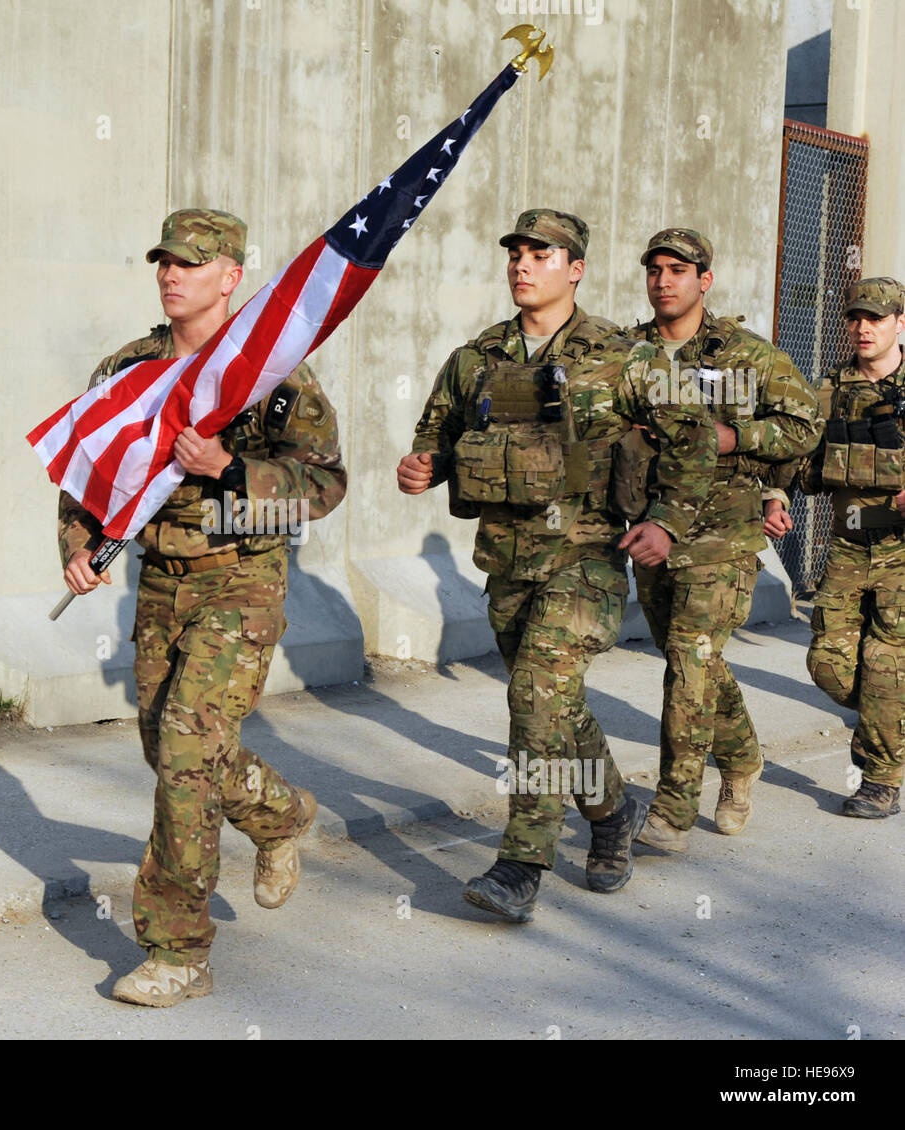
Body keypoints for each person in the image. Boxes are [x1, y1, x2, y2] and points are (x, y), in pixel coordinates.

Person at [58, 208, 348, 1005]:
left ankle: (178, 952)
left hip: (241, 579)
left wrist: (230, 469)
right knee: (169, 751)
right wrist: (78, 546)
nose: (171, 274)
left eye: (190, 262)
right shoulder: (129, 367)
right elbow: (88, 471)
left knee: (187, 755)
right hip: (160, 581)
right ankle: (280, 815)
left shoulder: (271, 370)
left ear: (231, 276)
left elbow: (323, 487)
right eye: (165, 260)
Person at [397, 208, 717, 922]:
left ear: (575, 269)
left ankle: (521, 864)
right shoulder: (477, 358)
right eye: (516, 252)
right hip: (508, 561)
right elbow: (437, 430)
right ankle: (612, 811)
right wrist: (425, 465)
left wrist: (666, 522)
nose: (522, 264)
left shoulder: (625, 357)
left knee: (535, 696)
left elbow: (693, 441)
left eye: (541, 254)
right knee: (554, 708)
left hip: (587, 560)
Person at [623, 229, 821, 852]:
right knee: (695, 662)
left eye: (678, 270)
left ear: (704, 280)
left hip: (723, 534)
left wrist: (737, 438)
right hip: (654, 530)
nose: (663, 280)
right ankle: (743, 758)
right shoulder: (628, 352)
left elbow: (804, 425)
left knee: (689, 663)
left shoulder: (746, 355)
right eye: (655, 269)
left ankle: (672, 811)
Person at [780, 278, 905, 818]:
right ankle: (888, 715)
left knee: (884, 661)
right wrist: (776, 495)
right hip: (848, 545)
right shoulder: (829, 390)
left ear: (900, 322)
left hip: (901, 549)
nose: (863, 328)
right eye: (855, 318)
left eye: (875, 318)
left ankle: (880, 781)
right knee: (828, 665)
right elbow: (797, 457)